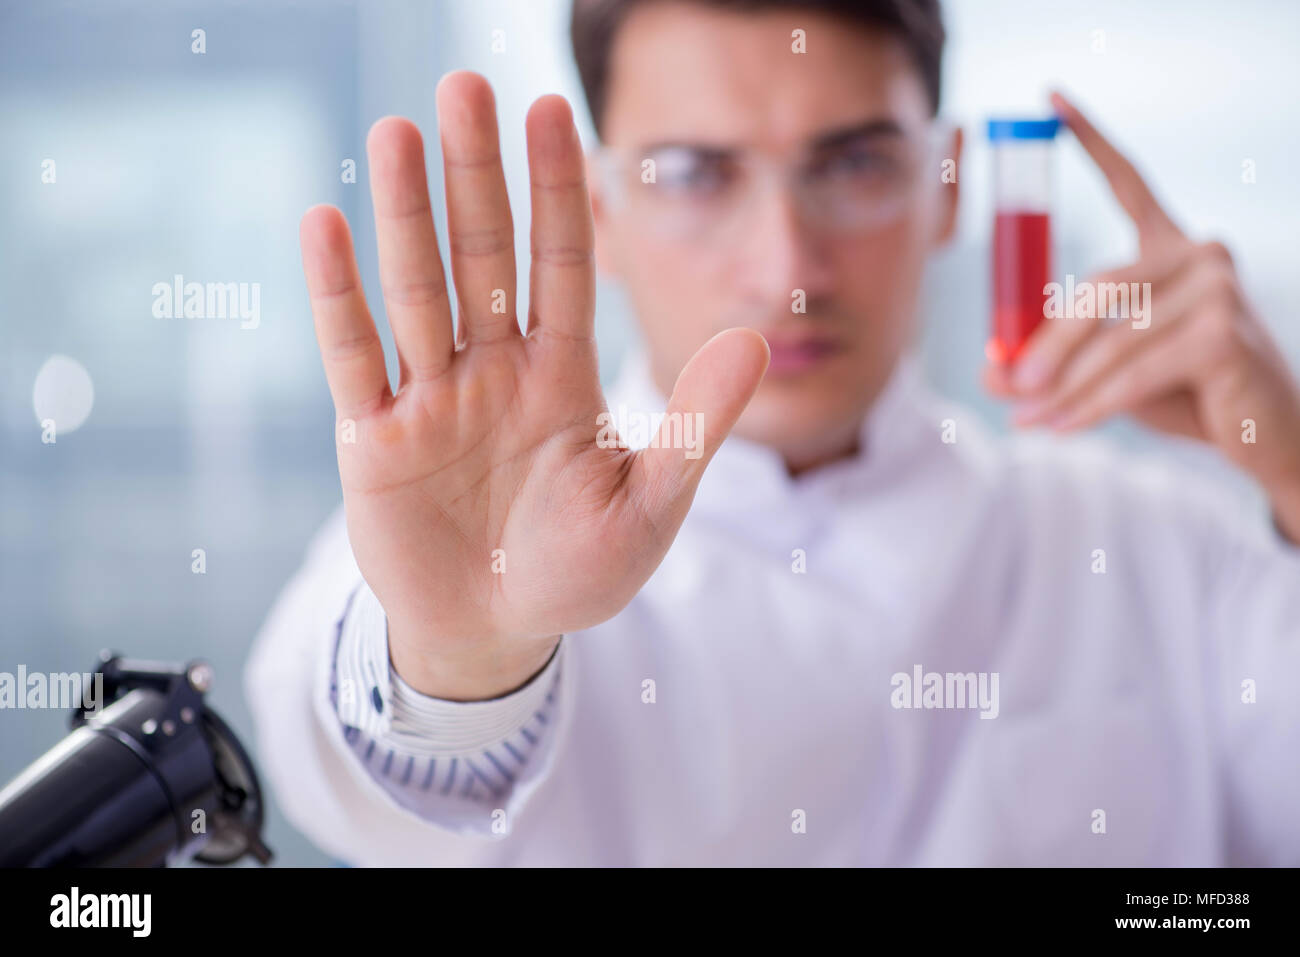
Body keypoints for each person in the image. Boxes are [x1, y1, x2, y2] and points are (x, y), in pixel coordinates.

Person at [245, 0, 1300, 865]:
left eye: (851, 166)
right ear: (600, 217)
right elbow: (336, 753)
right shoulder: (465, 544)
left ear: (947, 190)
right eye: (698, 175)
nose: (787, 269)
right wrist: (464, 656)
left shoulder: (1158, 545)